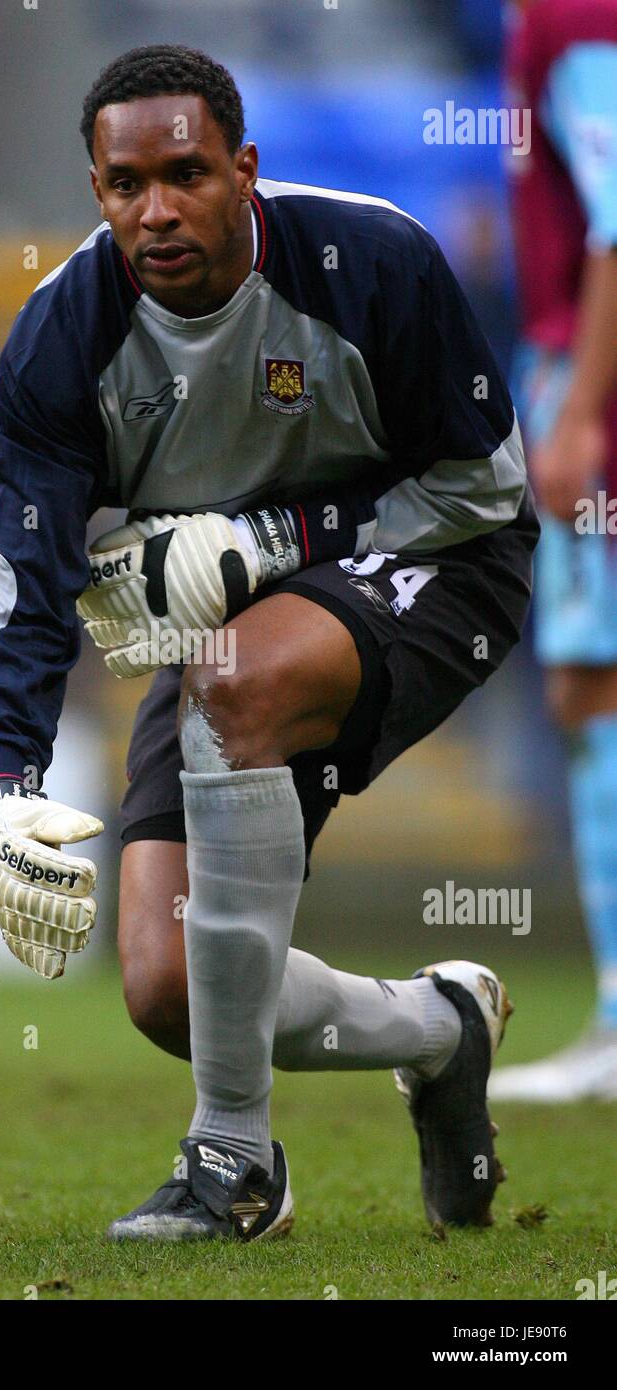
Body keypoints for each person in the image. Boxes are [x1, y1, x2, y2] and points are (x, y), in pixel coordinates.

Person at [0, 45, 537, 1239]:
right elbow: (11, 572)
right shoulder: (64, 337)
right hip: (226, 625)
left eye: (186, 173)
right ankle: (440, 1028)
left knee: (230, 676)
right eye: (124, 185)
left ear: (243, 170)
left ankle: (232, 1163)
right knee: (169, 987)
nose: (155, 210)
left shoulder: (371, 262)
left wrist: (275, 533)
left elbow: (485, 484)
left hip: (444, 567)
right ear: (96, 189)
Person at [489, 0, 617, 1103]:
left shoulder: (574, 14)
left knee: (592, 683)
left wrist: (576, 411)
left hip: (594, 379)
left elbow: (616, 213)